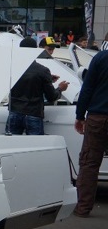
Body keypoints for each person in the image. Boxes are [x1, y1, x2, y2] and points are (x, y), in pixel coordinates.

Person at [73, 49, 108, 217]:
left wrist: (80, 115)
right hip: (98, 116)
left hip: (98, 117)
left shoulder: (101, 58)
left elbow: (87, 87)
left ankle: (83, 206)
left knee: (89, 163)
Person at [6, 42, 69, 135]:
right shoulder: (42, 70)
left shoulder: (11, 68)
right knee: (36, 147)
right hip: (33, 113)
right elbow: (51, 97)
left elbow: (24, 81)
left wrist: (47, 79)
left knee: (10, 146)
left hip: (14, 111)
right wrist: (60, 89)